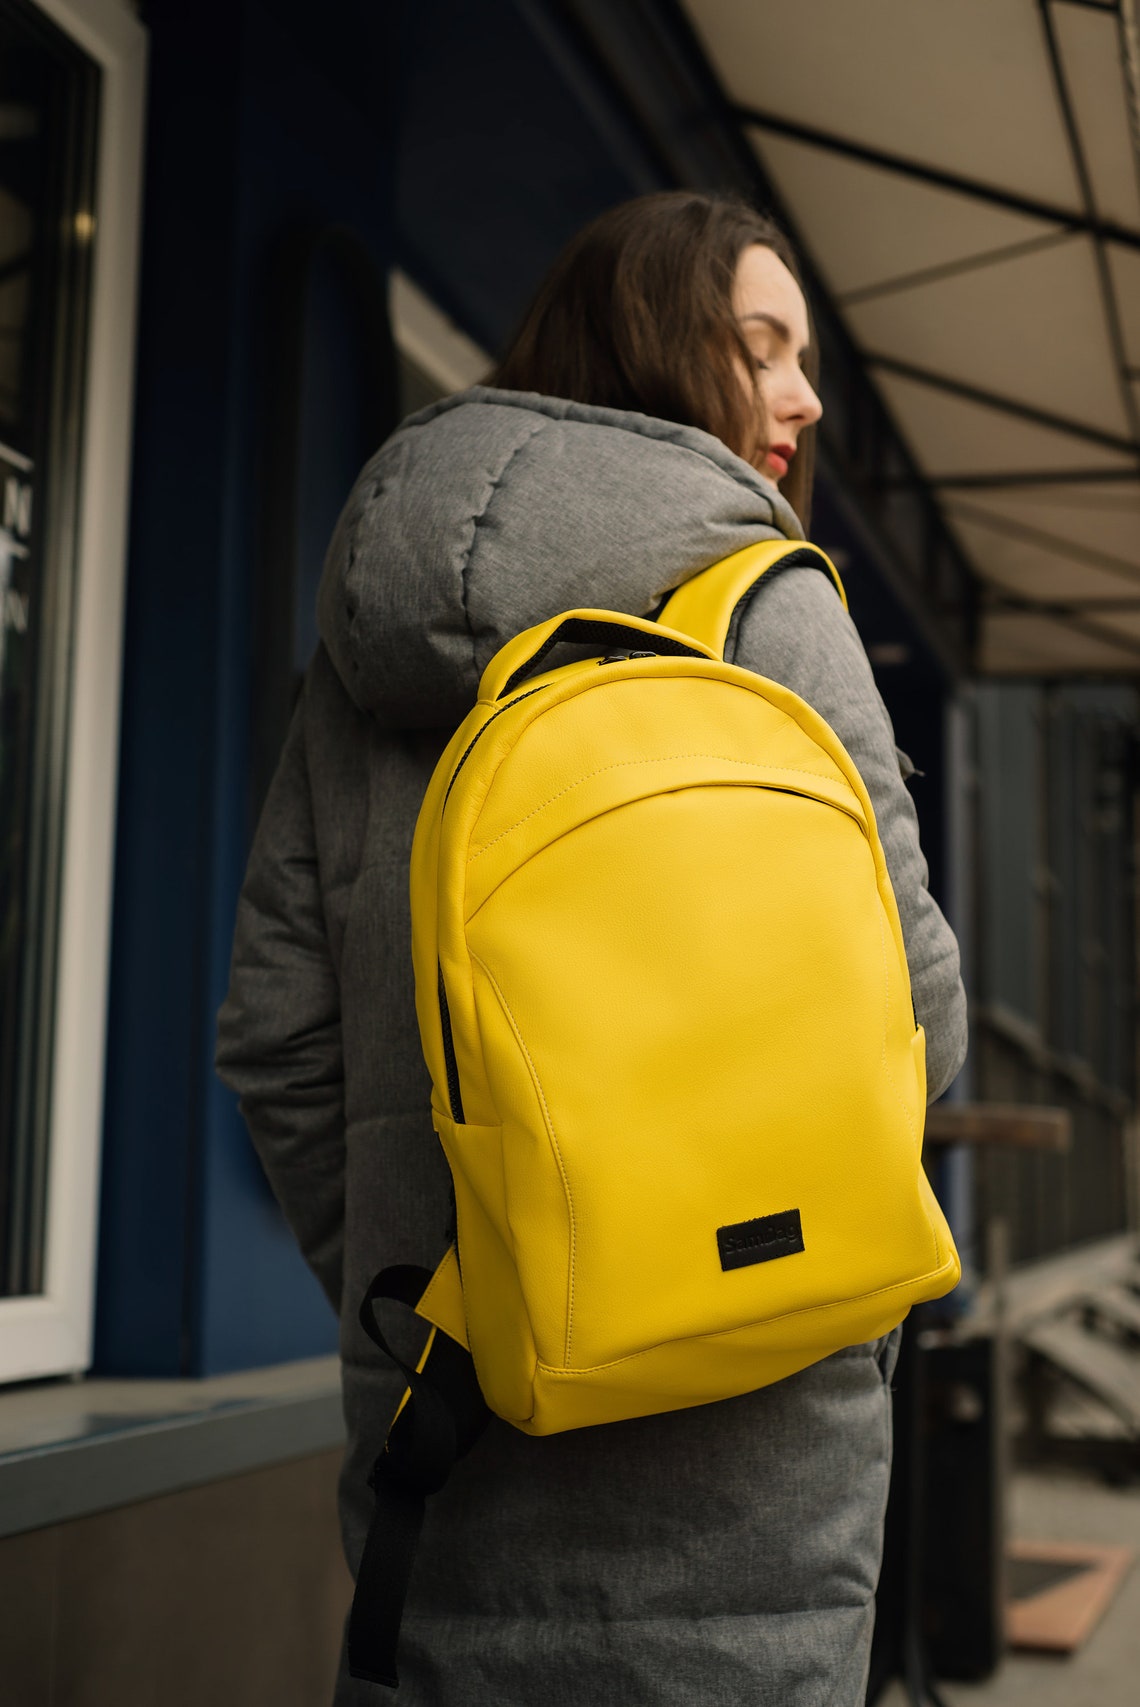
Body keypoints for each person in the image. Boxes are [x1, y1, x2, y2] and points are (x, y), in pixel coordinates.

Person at [216, 190, 968, 1707]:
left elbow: (278, 1033)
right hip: (753, 1484)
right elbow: (923, 1028)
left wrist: (463, 1265)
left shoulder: (364, 640)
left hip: (444, 1442)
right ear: (653, 343)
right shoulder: (772, 613)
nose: (808, 399)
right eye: (766, 349)